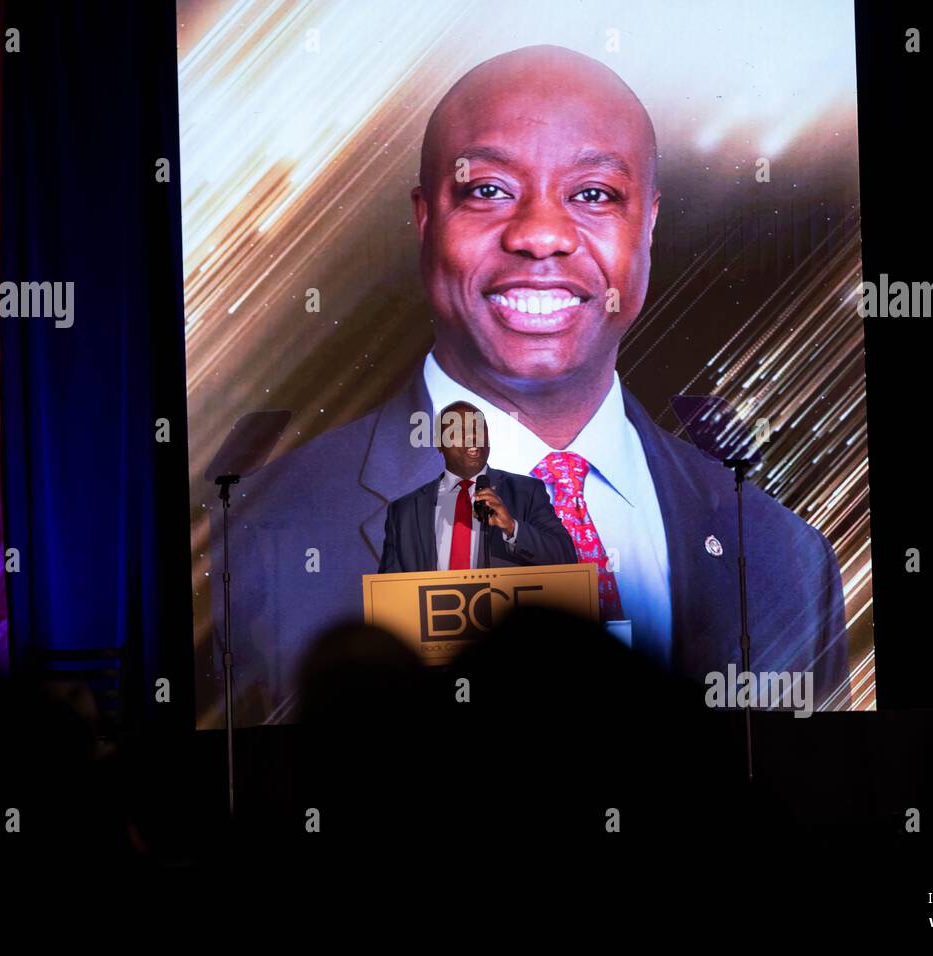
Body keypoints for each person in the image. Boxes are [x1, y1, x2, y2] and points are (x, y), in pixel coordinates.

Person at [220, 45, 848, 715]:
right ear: (424, 217)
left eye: (594, 194)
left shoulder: (788, 561)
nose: (542, 235)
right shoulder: (260, 540)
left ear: (649, 224)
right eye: (488, 190)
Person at [377, 401, 576, 573]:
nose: (473, 437)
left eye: (479, 429)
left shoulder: (526, 492)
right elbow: (389, 588)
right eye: (458, 431)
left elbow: (565, 557)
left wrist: (511, 528)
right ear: (439, 443)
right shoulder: (405, 511)